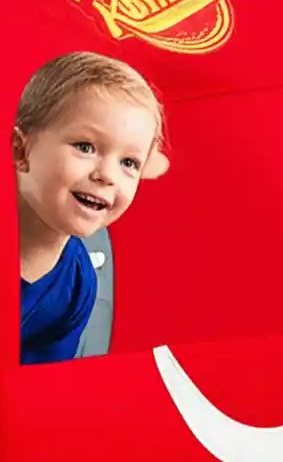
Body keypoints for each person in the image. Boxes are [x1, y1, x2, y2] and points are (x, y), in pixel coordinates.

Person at [13, 51, 170, 364]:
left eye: (129, 162)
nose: (107, 176)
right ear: (21, 150)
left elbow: (42, 388)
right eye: (85, 147)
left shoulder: (78, 283)